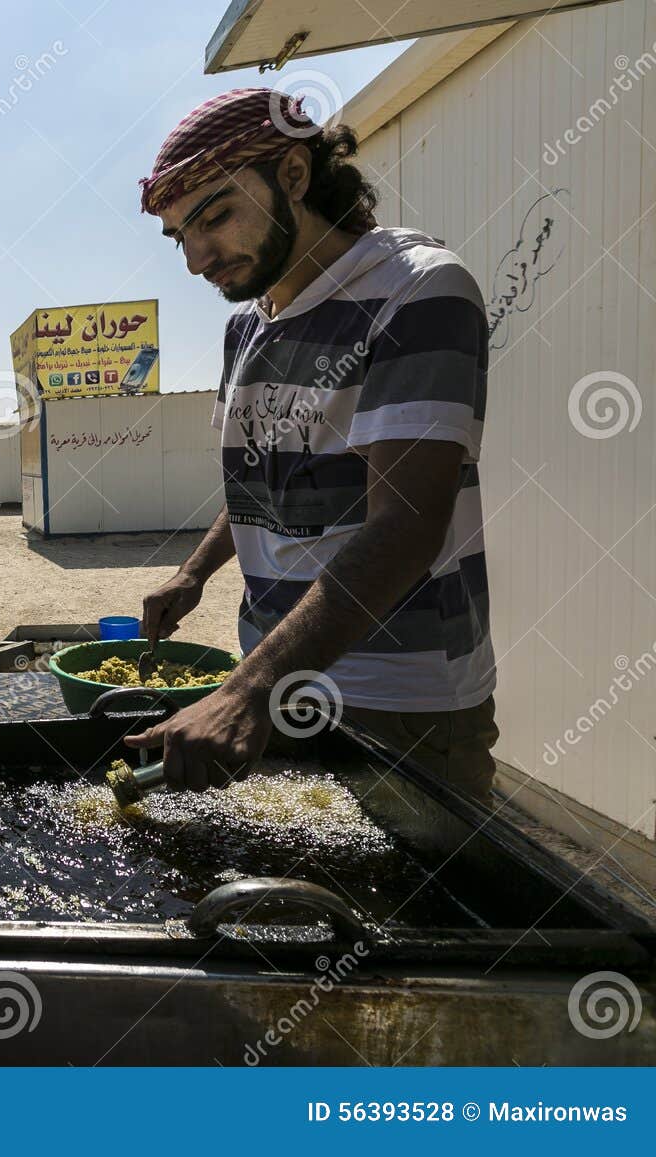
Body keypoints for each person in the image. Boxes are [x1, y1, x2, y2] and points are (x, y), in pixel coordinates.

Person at [128, 88, 498, 800]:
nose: (196, 259)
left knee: (403, 913)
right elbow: (262, 482)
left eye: (215, 217)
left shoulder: (417, 293)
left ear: (294, 176)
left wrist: (248, 689)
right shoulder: (250, 324)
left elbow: (408, 524)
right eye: (180, 236)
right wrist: (195, 572)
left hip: (397, 704)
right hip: (276, 686)